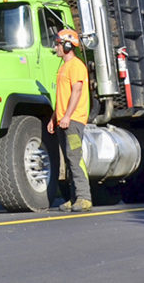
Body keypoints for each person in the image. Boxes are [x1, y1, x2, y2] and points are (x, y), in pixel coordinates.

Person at [48, 27, 91, 212]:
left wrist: (66, 116)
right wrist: (53, 118)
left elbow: (77, 91)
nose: (55, 48)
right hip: (63, 121)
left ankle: (84, 198)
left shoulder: (76, 66)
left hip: (73, 121)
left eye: (58, 44)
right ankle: (74, 199)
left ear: (67, 45)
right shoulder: (64, 67)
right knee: (68, 160)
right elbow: (62, 97)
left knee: (74, 157)